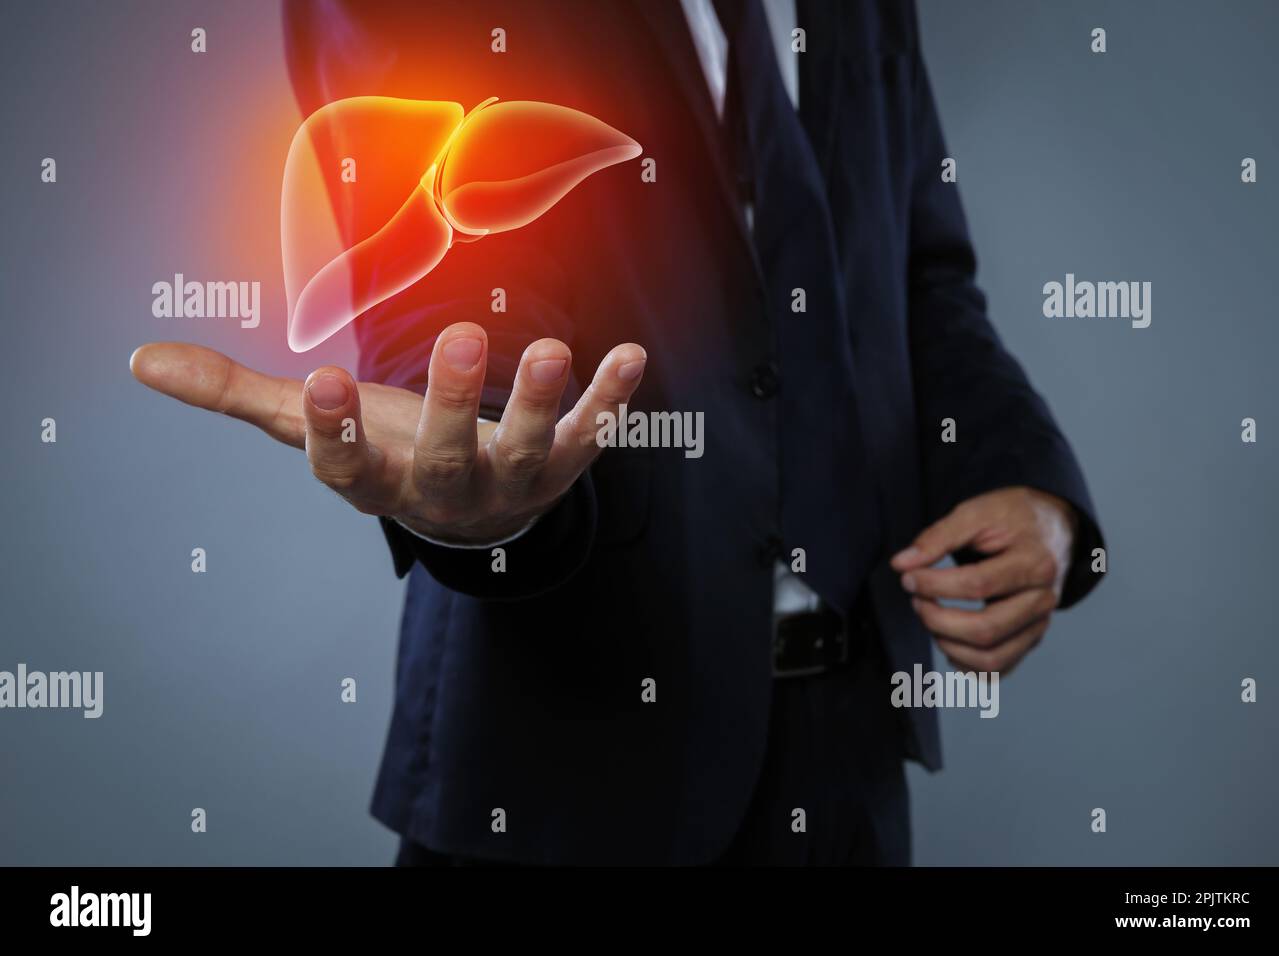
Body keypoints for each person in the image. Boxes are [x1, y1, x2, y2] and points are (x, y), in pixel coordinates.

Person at [130, 0, 1104, 865]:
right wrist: (474, 452)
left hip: (846, 759)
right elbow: (442, 275)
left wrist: (1025, 478)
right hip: (569, 763)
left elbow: (921, 277)